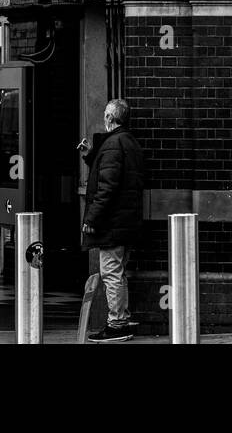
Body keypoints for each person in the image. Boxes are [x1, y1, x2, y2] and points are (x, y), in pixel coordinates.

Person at [78, 98, 146, 342]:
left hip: (113, 224)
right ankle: (122, 319)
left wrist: (92, 218)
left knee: (110, 273)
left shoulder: (113, 144)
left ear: (110, 117)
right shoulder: (129, 142)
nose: (104, 118)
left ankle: (116, 324)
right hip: (127, 222)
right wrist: (90, 157)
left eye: (106, 114)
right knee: (118, 272)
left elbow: (107, 187)